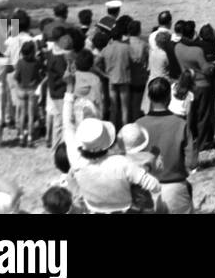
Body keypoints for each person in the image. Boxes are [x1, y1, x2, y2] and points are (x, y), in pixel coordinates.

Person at [62, 79, 162, 214]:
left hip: (94, 209)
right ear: (106, 142)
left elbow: (67, 126)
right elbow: (154, 186)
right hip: (124, 210)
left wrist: (69, 93)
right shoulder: (121, 163)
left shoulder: (77, 160)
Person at [137, 76, 195, 213]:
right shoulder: (181, 124)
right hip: (175, 188)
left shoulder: (138, 125)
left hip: (146, 190)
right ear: (169, 97)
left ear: (149, 97)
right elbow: (192, 162)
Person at [13, 41, 41, 147]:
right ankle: (29, 137)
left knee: (21, 114)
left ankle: (21, 136)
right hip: (31, 90)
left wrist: (17, 88)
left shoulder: (20, 62)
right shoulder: (36, 62)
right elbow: (38, 77)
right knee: (30, 115)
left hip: (21, 90)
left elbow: (16, 78)